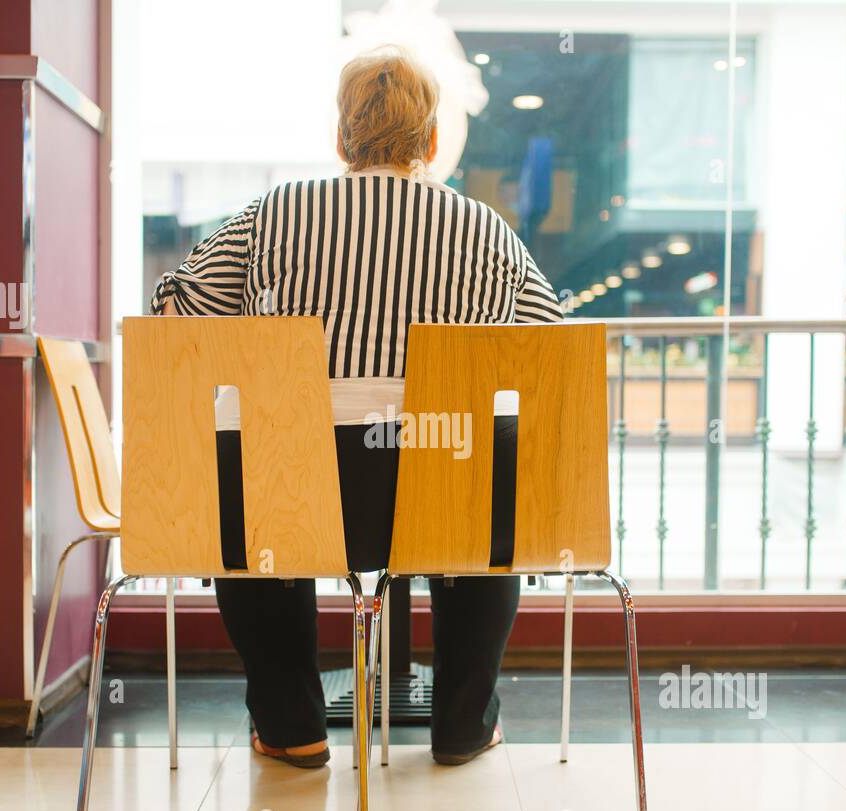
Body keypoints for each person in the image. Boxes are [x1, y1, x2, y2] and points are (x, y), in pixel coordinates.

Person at [151, 46, 563, 768]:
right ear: (433, 141)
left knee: (250, 503)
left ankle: (290, 725)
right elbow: (551, 357)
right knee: (486, 500)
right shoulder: (488, 232)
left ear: (342, 139)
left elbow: (176, 307)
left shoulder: (270, 216)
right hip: (444, 495)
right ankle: (464, 724)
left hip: (297, 497)